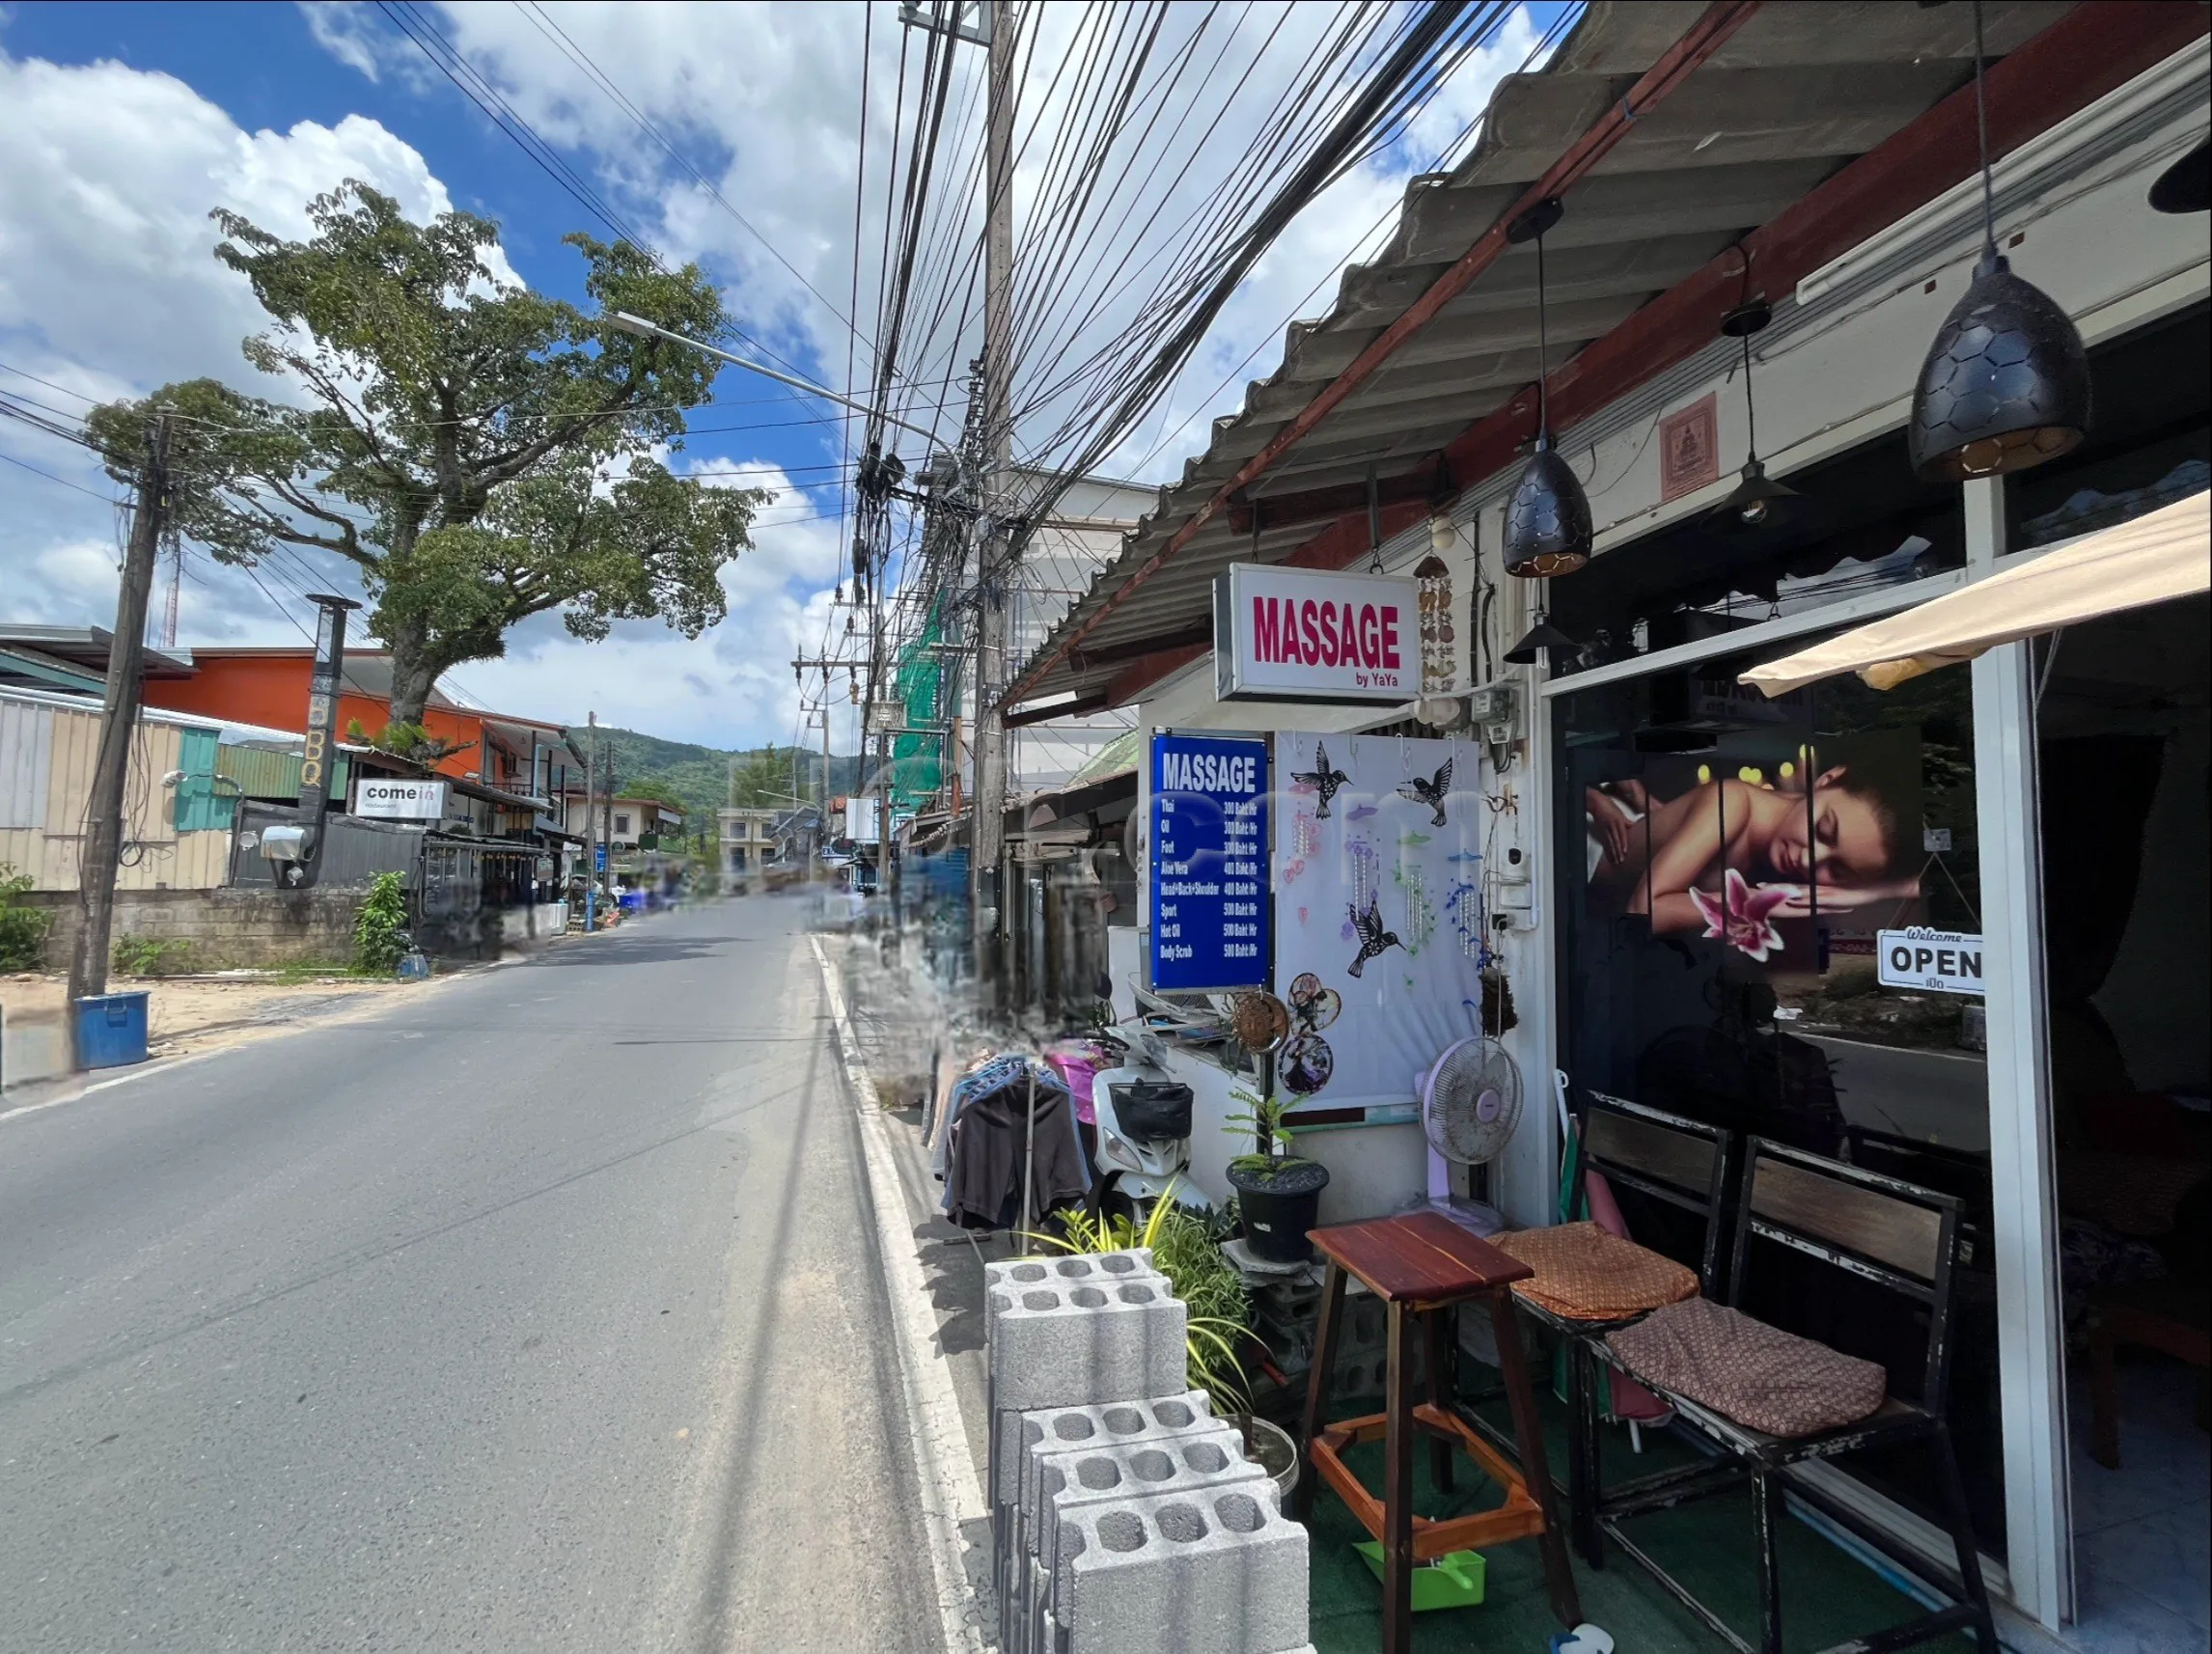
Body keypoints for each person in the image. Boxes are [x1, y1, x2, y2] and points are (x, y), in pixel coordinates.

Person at [1588, 763, 1919, 936]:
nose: (1808, 859)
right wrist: (1762, 903)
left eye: (1837, 870)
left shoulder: (1779, 853)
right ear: (1827, 779)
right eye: (1822, 830)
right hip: (1574, 852)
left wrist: (1868, 893)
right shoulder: (1731, 803)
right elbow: (1643, 912)